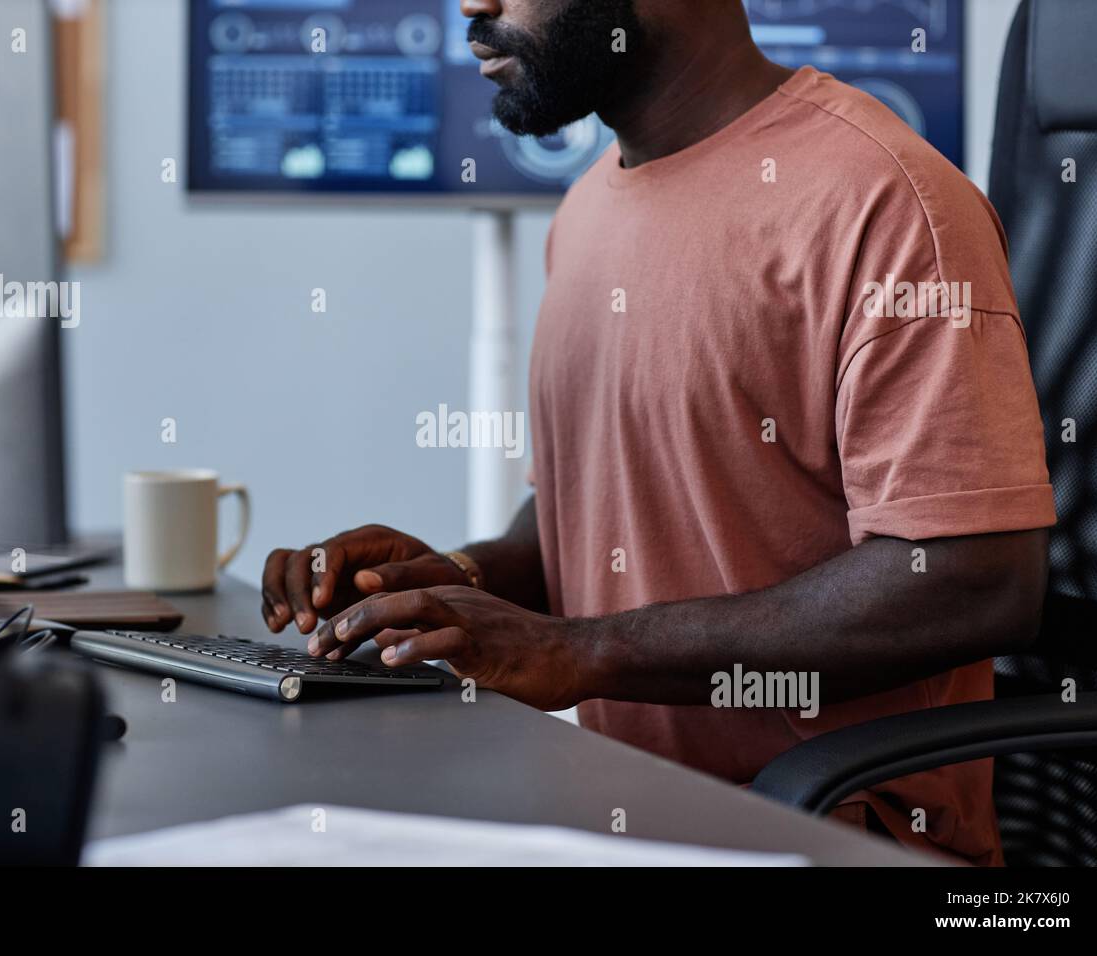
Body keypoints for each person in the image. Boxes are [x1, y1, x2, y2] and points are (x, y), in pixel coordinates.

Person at [261, 0, 1055, 865]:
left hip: (821, 837)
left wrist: (582, 651)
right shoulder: (587, 211)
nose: (472, 7)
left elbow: (976, 581)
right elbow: (599, 514)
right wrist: (454, 583)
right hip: (620, 819)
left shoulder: (889, 203)